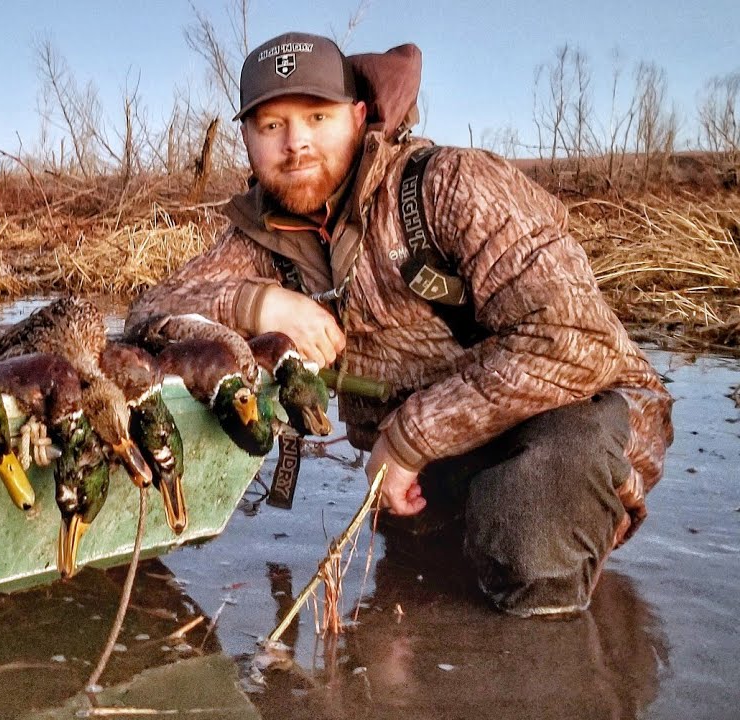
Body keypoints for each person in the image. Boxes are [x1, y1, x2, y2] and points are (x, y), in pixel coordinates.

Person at [127, 32, 674, 617]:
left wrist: (412, 438)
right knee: (428, 578)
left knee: (526, 533)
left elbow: (574, 340)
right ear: (248, 140)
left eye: (317, 116)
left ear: (359, 117)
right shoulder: (259, 236)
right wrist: (258, 305)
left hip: (578, 416)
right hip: (429, 463)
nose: (296, 143)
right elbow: (148, 314)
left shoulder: (449, 184)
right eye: (271, 126)